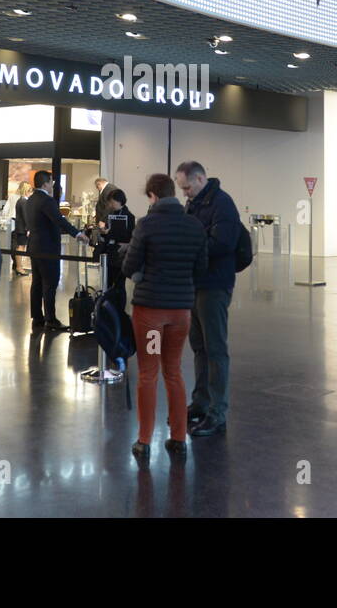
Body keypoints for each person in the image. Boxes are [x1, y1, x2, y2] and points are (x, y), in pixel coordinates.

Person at [123, 173, 208, 461]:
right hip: (181, 313)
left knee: (148, 374)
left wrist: (142, 272)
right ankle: (178, 438)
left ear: (152, 196)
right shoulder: (194, 226)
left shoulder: (146, 225)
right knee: (174, 372)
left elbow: (129, 265)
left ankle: (145, 440)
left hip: (150, 314)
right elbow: (202, 268)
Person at [176, 160, 239, 437]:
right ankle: (200, 402)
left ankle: (218, 412)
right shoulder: (195, 204)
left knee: (215, 349)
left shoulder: (223, 204)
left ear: (200, 179)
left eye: (187, 187)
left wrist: (191, 249)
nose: (185, 193)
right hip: (196, 283)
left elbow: (224, 243)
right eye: (181, 188)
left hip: (215, 285)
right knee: (199, 347)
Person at [24, 169, 88, 330]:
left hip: (34, 246)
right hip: (47, 248)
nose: (52, 185)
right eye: (51, 181)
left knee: (37, 283)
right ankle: (50, 319)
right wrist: (78, 233)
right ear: (45, 183)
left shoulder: (30, 200)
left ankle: (37, 318)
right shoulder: (47, 201)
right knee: (49, 283)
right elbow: (59, 220)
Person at [96, 188, 133, 300]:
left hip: (120, 254)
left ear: (119, 200)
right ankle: (107, 310)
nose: (111, 204)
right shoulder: (109, 214)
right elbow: (105, 233)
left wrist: (110, 232)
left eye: (112, 202)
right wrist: (103, 232)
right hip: (108, 253)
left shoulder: (129, 216)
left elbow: (130, 237)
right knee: (106, 283)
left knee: (119, 284)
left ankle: (118, 311)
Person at [11, 181, 32, 275]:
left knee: (21, 246)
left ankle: (19, 267)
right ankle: (19, 267)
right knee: (21, 247)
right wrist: (28, 229)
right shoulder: (24, 201)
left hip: (20, 227)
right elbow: (26, 216)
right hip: (22, 228)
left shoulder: (21, 200)